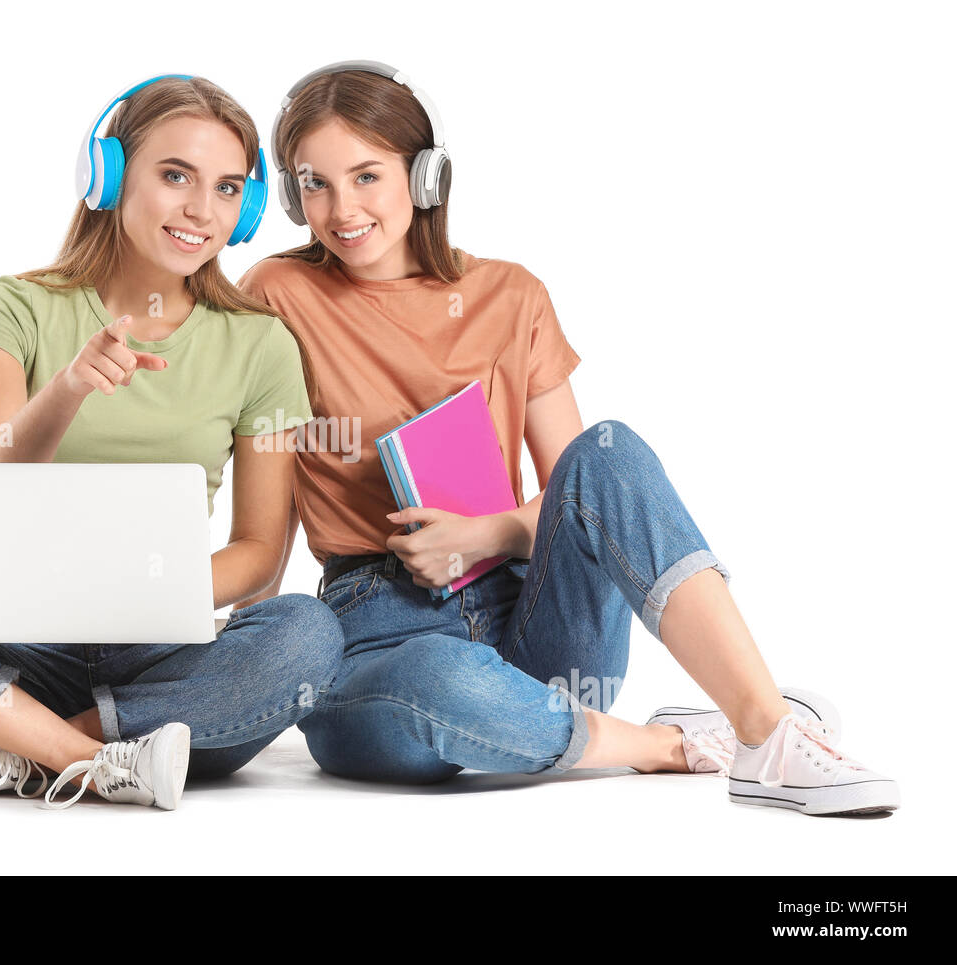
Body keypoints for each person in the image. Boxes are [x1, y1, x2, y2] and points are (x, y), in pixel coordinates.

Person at [235, 61, 898, 816]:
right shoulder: (277, 295)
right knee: (440, 677)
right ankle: (665, 745)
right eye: (313, 182)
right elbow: (265, 535)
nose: (339, 208)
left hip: (535, 623)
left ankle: (765, 730)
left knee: (607, 449)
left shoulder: (513, 296)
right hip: (379, 636)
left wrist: (488, 532)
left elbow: (576, 498)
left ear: (424, 177)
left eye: (365, 176)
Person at [0, 74, 343, 812]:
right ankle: (96, 760)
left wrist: (136, 596)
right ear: (107, 177)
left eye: (226, 188)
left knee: (308, 631)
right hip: (17, 648)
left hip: (158, 660)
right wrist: (69, 387)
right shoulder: (8, 309)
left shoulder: (260, 344)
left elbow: (260, 553)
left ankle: (5, 750)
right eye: (175, 175)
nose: (200, 210)